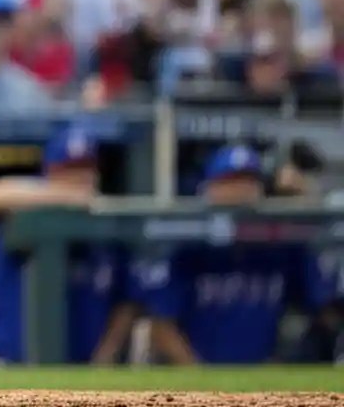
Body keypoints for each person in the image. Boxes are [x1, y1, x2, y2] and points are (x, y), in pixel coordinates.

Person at [135, 145, 331, 364]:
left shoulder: (282, 244)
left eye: (249, 181)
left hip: (268, 376)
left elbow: (324, 308)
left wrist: (302, 202)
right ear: (209, 188)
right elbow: (161, 323)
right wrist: (197, 377)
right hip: (198, 376)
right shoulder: (188, 246)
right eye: (231, 181)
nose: (242, 191)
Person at [0, 126, 137, 366]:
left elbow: (127, 298)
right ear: (50, 171)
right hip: (5, 357)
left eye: (86, 167)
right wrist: (71, 197)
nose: (79, 177)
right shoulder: (25, 206)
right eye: (69, 169)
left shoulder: (106, 222)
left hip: (81, 365)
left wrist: (106, 354)